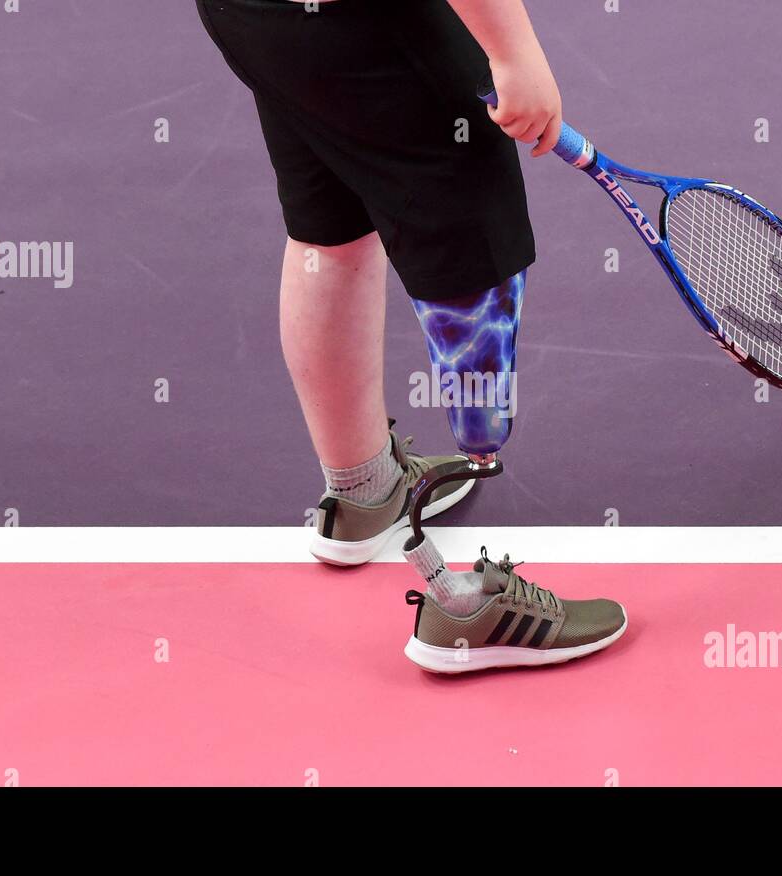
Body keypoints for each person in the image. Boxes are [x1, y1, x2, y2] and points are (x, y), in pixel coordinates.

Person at [196, 0, 626, 672]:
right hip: (366, 28)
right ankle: (463, 605)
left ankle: (364, 488)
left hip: (254, 17)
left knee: (329, 228)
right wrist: (513, 54)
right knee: (475, 252)